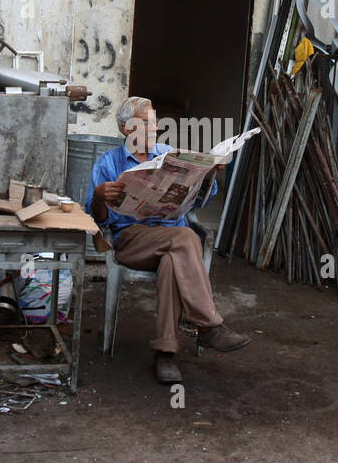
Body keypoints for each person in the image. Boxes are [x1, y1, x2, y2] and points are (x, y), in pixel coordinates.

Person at [86, 96, 250, 383]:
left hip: (170, 238)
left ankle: (165, 354)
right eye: (148, 123)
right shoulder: (108, 163)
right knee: (186, 237)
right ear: (128, 129)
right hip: (132, 240)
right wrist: (100, 196)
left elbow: (198, 201)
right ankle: (209, 325)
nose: (156, 128)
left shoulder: (167, 154)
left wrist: (208, 174)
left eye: (155, 121)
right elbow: (99, 220)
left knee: (172, 262)